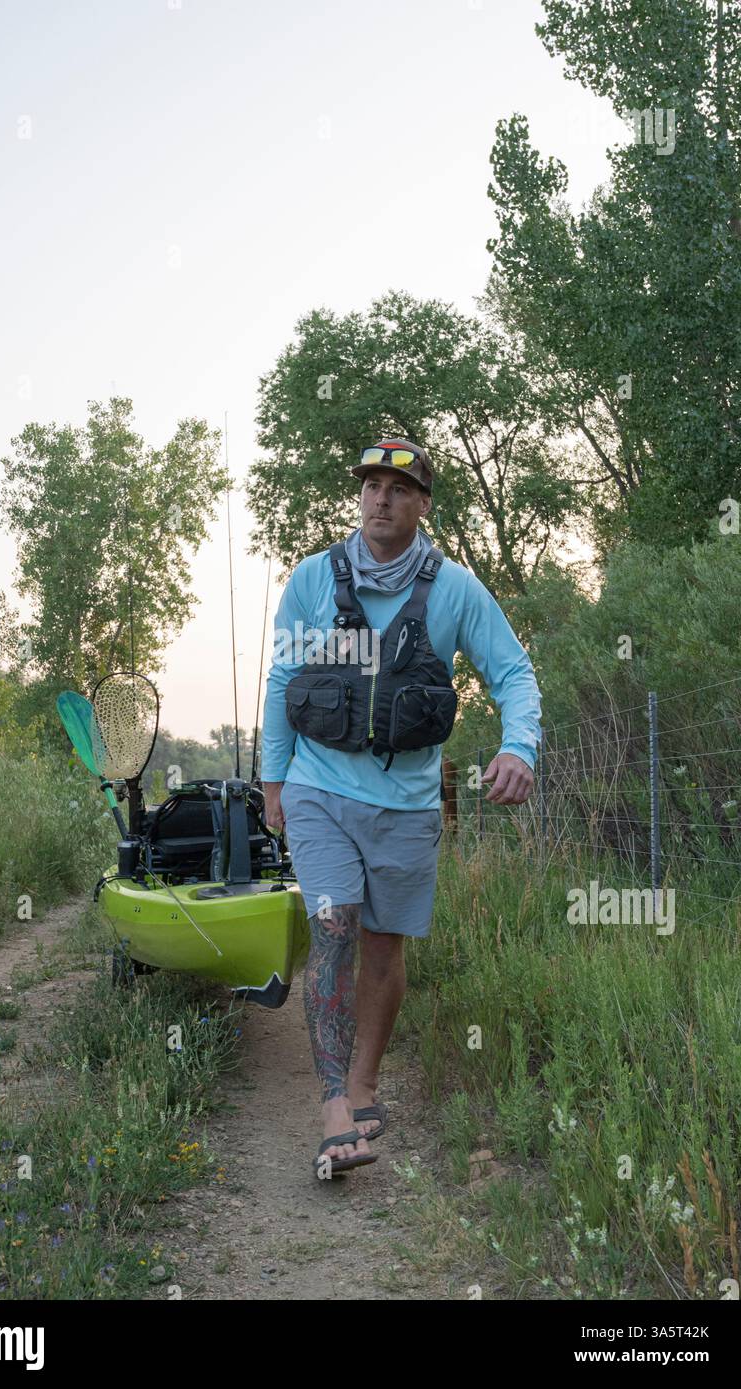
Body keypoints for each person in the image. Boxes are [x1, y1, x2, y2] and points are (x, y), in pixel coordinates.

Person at [260, 438, 542, 1175]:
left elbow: (512, 671)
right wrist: (274, 780)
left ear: (421, 504)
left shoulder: (455, 589)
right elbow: (283, 676)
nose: (380, 498)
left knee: (385, 945)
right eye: (370, 486)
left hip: (409, 803)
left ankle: (364, 1081)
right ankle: (331, 1109)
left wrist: (520, 748)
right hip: (321, 787)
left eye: (397, 488)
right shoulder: (313, 580)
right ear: (359, 497)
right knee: (333, 924)